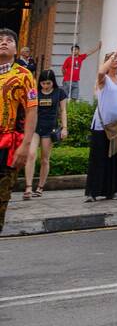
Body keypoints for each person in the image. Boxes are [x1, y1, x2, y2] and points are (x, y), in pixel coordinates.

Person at [0, 27, 38, 232]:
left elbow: (32, 111)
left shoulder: (24, 76)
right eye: (0, 39)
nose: (4, 42)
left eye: (9, 40)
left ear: (16, 50)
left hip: (6, 146)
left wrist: (25, 145)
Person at [85, 50, 117, 202]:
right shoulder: (103, 80)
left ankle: (114, 190)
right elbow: (101, 71)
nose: (116, 60)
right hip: (101, 125)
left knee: (115, 159)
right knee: (98, 158)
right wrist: (113, 54)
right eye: (112, 59)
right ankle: (93, 192)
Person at [23, 69, 68, 198]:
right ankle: (28, 187)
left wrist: (64, 128)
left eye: (48, 83)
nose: (46, 86)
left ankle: (40, 187)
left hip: (50, 130)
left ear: (53, 82)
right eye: (43, 83)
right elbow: (29, 110)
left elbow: (63, 111)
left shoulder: (60, 93)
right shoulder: (34, 93)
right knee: (31, 155)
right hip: (35, 128)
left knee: (44, 159)